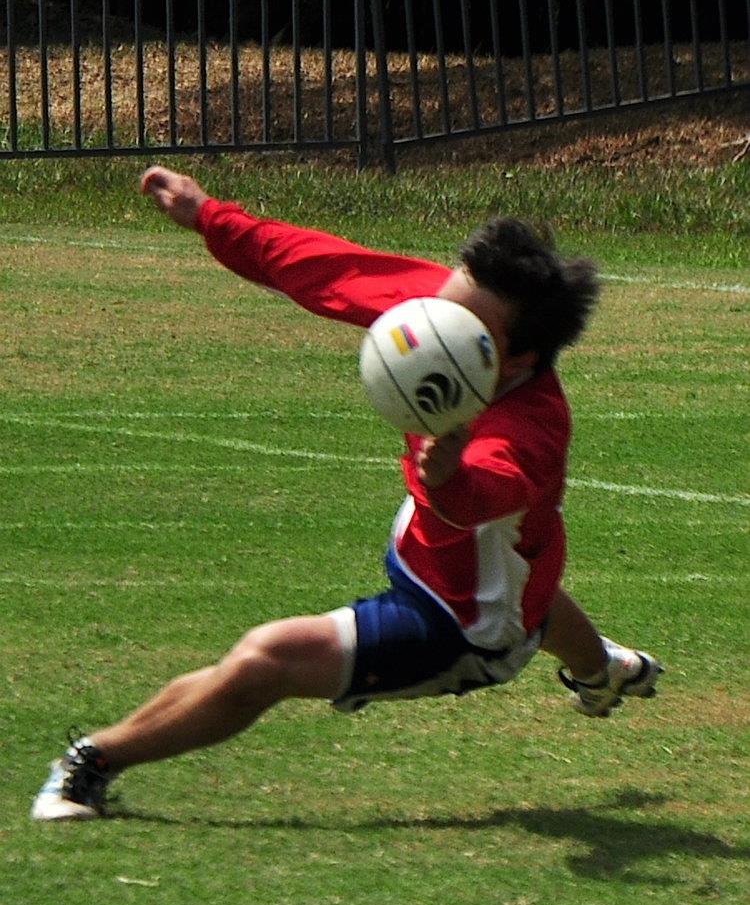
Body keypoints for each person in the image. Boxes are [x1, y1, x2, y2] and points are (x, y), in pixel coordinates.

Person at [31, 166, 663, 822]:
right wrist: (207, 214)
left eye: (458, 324)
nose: (428, 325)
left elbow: (491, 490)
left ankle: (88, 764)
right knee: (525, 576)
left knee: (262, 662)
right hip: (456, 554)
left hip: (458, 627)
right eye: (438, 304)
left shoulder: (529, 428)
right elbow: (321, 267)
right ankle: (603, 669)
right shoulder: (447, 318)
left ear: (519, 362)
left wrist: (450, 478)